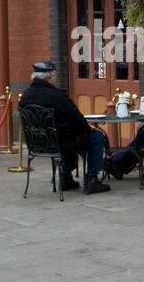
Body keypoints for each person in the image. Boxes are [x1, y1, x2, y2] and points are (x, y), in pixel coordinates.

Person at [18, 61, 112, 194]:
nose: (55, 79)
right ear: (50, 77)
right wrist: (88, 128)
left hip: (36, 144)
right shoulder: (57, 96)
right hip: (60, 142)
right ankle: (92, 179)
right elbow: (76, 118)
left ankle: (65, 177)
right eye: (55, 76)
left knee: (67, 137)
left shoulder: (25, 96)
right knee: (96, 137)